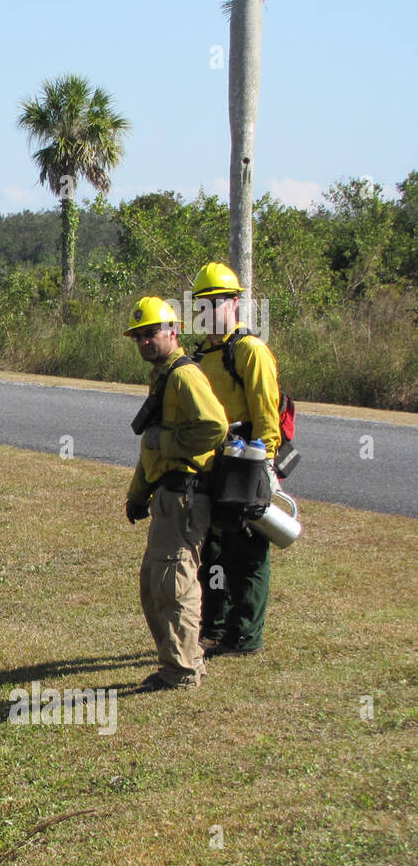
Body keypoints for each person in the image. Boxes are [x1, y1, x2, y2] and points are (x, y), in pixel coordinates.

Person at [124, 297, 228, 690]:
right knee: (155, 583)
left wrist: (167, 441)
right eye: (138, 337)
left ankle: (181, 672)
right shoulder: (162, 376)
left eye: (151, 334)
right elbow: (150, 447)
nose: (144, 343)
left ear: (173, 332)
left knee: (174, 585)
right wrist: (138, 494)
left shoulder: (184, 376)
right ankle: (182, 660)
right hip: (165, 496)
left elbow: (214, 427)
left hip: (185, 495)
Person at [190, 261, 281, 658]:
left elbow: (266, 415)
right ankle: (216, 627)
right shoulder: (201, 355)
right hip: (212, 467)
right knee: (213, 551)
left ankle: (245, 636)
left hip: (246, 463)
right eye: (203, 304)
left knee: (247, 549)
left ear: (236, 303)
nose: (210, 311)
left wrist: (266, 469)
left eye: (218, 302)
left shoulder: (249, 351)